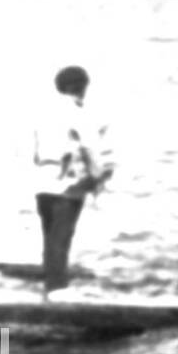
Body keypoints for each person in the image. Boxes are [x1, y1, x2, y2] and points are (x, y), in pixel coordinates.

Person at [33, 65, 113, 292]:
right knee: (61, 239)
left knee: (49, 238)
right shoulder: (80, 113)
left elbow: (33, 150)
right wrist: (99, 177)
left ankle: (50, 284)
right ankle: (56, 289)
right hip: (69, 187)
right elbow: (90, 149)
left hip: (43, 183)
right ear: (81, 87)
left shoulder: (43, 112)